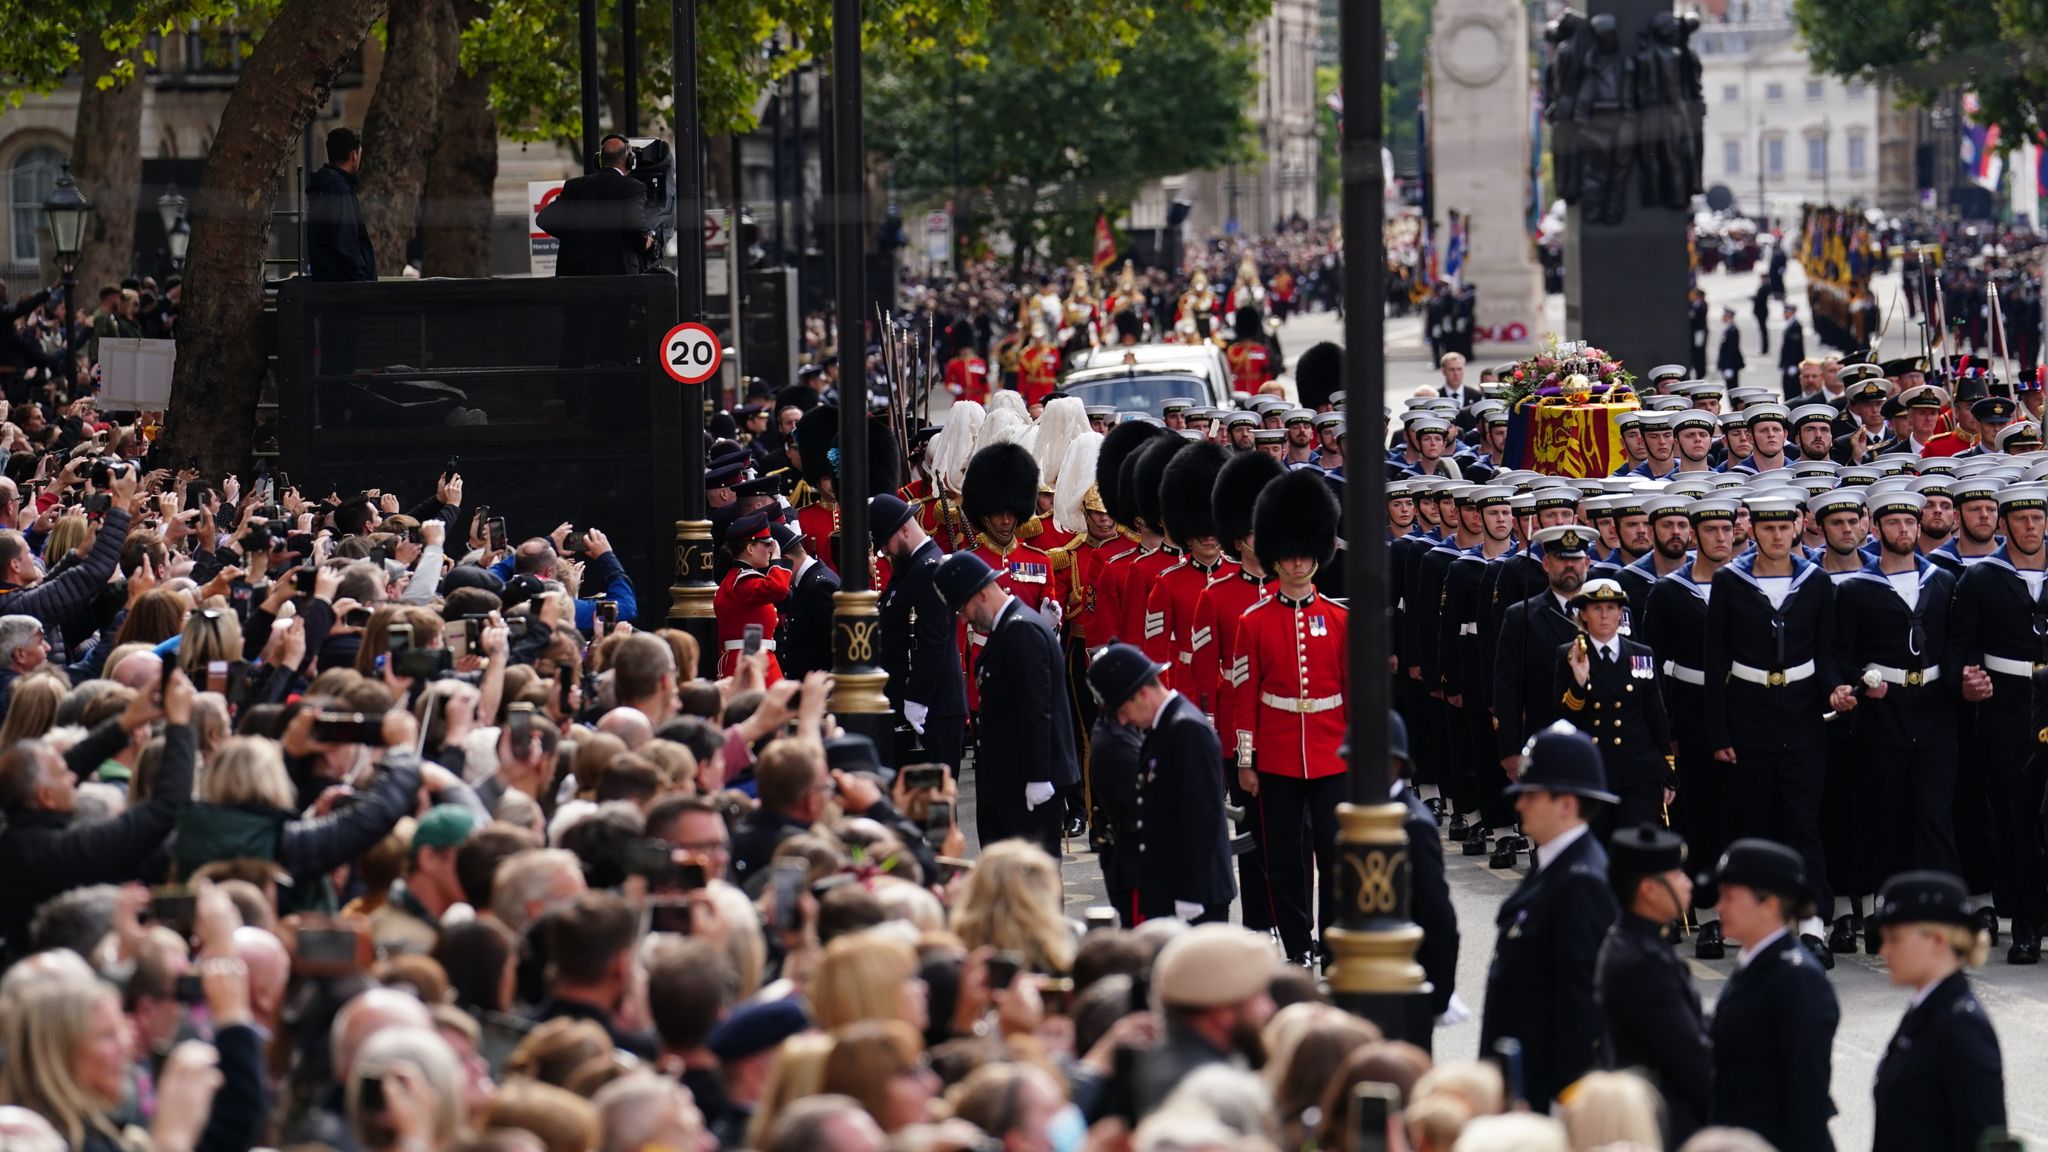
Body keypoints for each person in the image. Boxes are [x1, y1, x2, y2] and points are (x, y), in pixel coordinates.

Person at [1234, 468, 1347, 965]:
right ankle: (1298, 944)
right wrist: (1246, 760)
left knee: (1335, 854)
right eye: (1290, 553)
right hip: (1278, 755)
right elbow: (1244, 696)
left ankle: (1335, 945)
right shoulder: (1253, 622)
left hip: (1332, 753)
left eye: (1305, 553)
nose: (1298, 562)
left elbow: (1353, 694)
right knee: (1282, 858)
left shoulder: (1340, 619)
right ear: (1276, 557)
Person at [1479, 723, 1619, 1109]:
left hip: (1546, 1096)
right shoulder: (1554, 867)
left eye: (1531, 795)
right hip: (1521, 1083)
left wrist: (1566, 1104)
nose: (1519, 804)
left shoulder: (1582, 883)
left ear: (1566, 805)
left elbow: (1582, 1011)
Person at [934, 551, 1077, 857]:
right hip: (1011, 781)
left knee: (1030, 878)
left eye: (963, 607)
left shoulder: (1021, 630)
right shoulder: (1010, 628)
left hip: (1025, 783)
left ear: (982, 595)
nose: (963, 618)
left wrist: (1038, 776)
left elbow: (1037, 710)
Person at [1702, 838, 1840, 1152]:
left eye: (1730, 897)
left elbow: (1807, 1096)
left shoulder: (1798, 979)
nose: (1719, 907)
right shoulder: (1755, 962)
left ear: (1770, 905)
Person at [1086, 642, 1233, 923]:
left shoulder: (1185, 730)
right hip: (1171, 884)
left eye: (1122, 709)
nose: (1123, 720)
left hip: (1193, 893)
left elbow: (1200, 817)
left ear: (1142, 693)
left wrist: (1191, 893)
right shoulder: (1165, 726)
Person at [1867, 870, 2007, 1151]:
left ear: (1938, 941)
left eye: (1895, 938)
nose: (1884, 950)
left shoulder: (1962, 1026)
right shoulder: (1925, 1009)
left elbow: (1986, 1140)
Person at [1595, 824, 1711, 1144]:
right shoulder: (1644, 962)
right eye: (1677, 875)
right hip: (1665, 1122)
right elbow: (1688, 1058)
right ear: (1648, 889)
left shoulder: (1636, 940)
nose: (1688, 883)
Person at [1554, 578, 1672, 835]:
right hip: (1591, 772)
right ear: (1584, 614)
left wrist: (1668, 769)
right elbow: (1564, 720)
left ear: (1620, 614)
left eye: (1611, 608)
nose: (1605, 615)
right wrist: (1579, 682)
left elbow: (1656, 714)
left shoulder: (1641, 654)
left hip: (1638, 771)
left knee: (1634, 849)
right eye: (1597, 608)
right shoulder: (1570, 655)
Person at [1134, 924, 1277, 1118]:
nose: (1269, 1008)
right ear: (1222, 1013)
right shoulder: (1222, 1096)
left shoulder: (1148, 1061)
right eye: (1258, 997)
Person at [871, 494, 967, 771]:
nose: (885, 551)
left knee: (933, 793)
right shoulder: (913, 566)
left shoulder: (928, 568)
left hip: (932, 707)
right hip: (917, 703)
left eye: (886, 543)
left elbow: (933, 639)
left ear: (904, 530)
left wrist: (917, 698)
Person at [536, 134, 652, 277]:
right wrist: (646, 240)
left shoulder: (574, 186)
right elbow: (635, 226)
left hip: (573, 276)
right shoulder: (633, 188)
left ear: (600, 161)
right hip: (617, 277)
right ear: (630, 161)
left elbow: (544, 219)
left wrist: (573, 237)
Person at [714, 512, 793, 680]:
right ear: (750, 548)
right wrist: (777, 561)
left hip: (747, 660)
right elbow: (779, 588)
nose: (770, 549)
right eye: (767, 544)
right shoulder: (744, 582)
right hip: (752, 664)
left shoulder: (735, 579)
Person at [307, 127, 376, 283]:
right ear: (354, 155)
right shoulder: (339, 189)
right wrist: (361, 280)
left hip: (330, 283)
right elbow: (346, 241)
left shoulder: (324, 186)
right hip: (345, 286)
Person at [775, 521, 839, 680]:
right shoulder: (809, 581)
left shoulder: (820, 586)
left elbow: (832, 646)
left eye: (774, 567)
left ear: (786, 560)